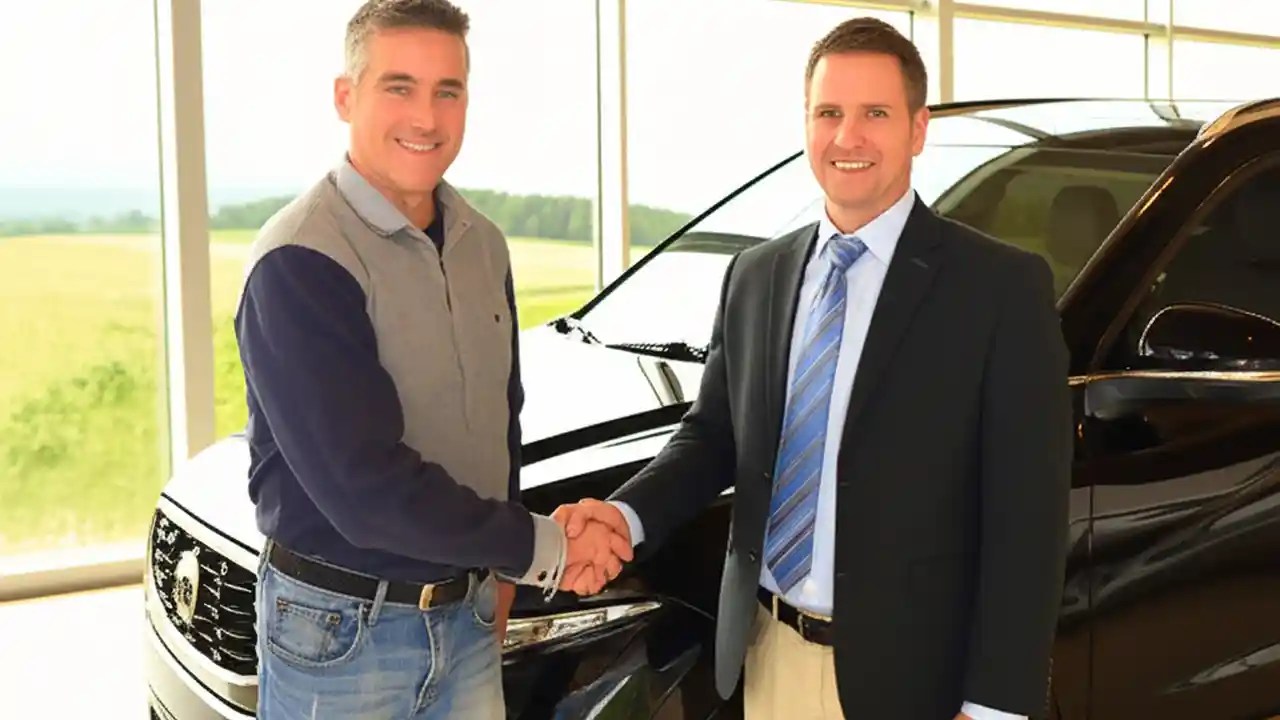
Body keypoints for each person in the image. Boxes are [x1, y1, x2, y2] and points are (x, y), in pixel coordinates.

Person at [553, 16, 1072, 720]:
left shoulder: (998, 290)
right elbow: (711, 439)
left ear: (918, 129)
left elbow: (1027, 522)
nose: (847, 137)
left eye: (875, 114)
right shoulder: (756, 276)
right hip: (768, 656)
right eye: (829, 112)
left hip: (919, 680)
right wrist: (624, 516)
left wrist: (995, 707)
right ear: (806, 122)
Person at [235, 1, 627, 717]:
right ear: (345, 96)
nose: (427, 117)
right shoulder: (301, 258)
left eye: (448, 91)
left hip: (469, 619)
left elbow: (499, 417)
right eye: (399, 87)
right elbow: (363, 487)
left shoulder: (484, 244)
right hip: (342, 637)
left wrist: (506, 565)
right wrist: (540, 545)